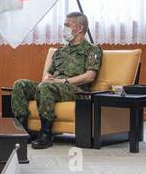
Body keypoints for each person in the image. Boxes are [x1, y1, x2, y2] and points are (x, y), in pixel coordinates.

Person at [9, 12, 102, 149]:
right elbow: (49, 72)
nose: (63, 28)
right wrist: (47, 78)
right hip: (54, 86)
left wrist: (64, 81)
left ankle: (46, 134)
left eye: (67, 25)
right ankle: (22, 131)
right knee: (20, 84)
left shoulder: (92, 50)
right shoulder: (60, 51)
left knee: (46, 88)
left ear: (80, 28)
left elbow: (90, 76)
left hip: (75, 89)